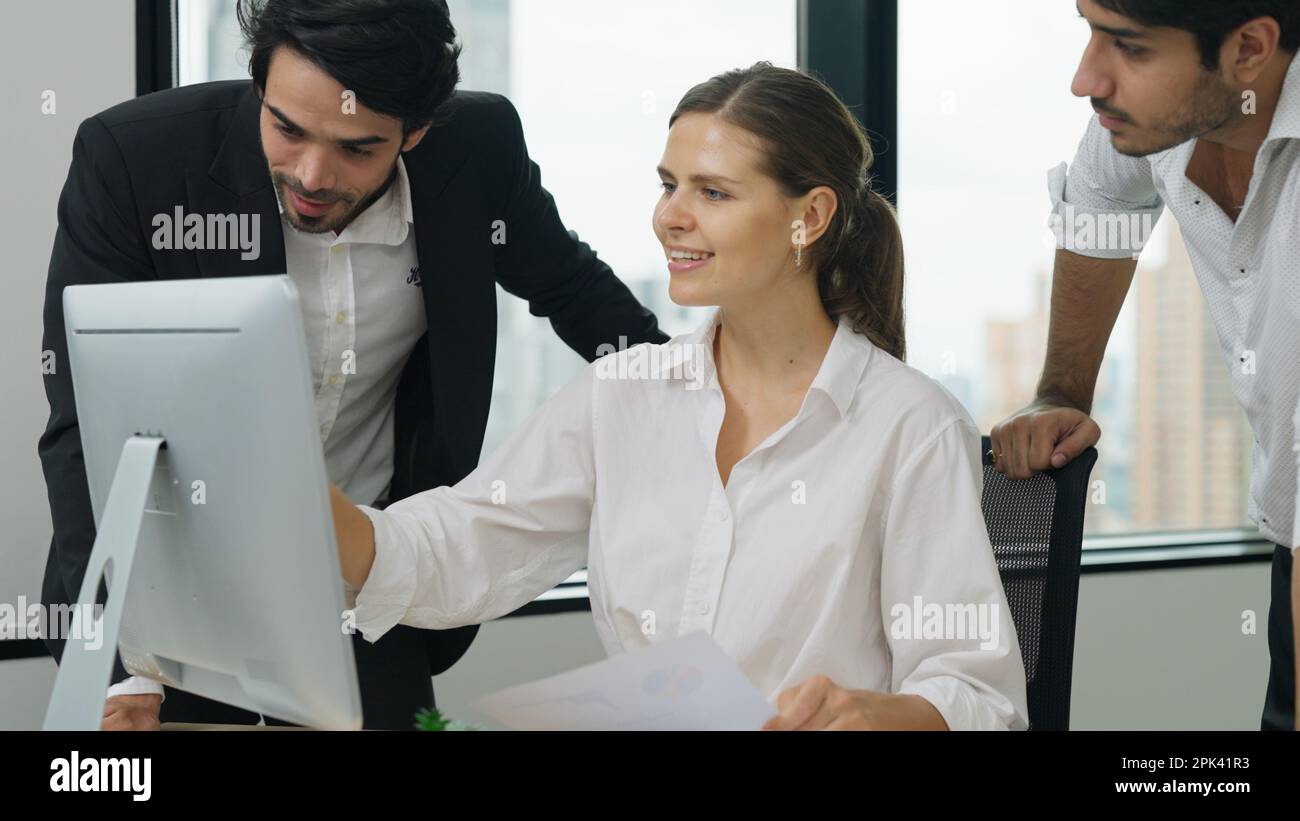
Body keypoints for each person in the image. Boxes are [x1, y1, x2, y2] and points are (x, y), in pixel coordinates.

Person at [330, 63, 1029, 731]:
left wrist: (875, 716)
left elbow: (977, 695)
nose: (671, 217)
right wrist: (305, 506)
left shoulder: (911, 428)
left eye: (712, 192)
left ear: (809, 217)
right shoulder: (621, 397)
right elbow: (462, 544)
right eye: (669, 185)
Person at [38, 0, 666, 731]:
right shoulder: (135, 160)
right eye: (287, 128)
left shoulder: (477, 150)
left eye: (358, 148)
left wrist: (699, 394)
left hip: (372, 588)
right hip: (171, 604)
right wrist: (121, 667)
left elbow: (577, 293)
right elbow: (83, 423)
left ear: (418, 130)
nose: (312, 173)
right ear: (259, 87)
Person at [991, 0, 1300, 730]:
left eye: (1128, 47)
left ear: (1248, 49)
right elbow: (1102, 201)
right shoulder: (1163, 118)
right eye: (1089, 33)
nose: (1085, 78)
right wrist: (1058, 391)